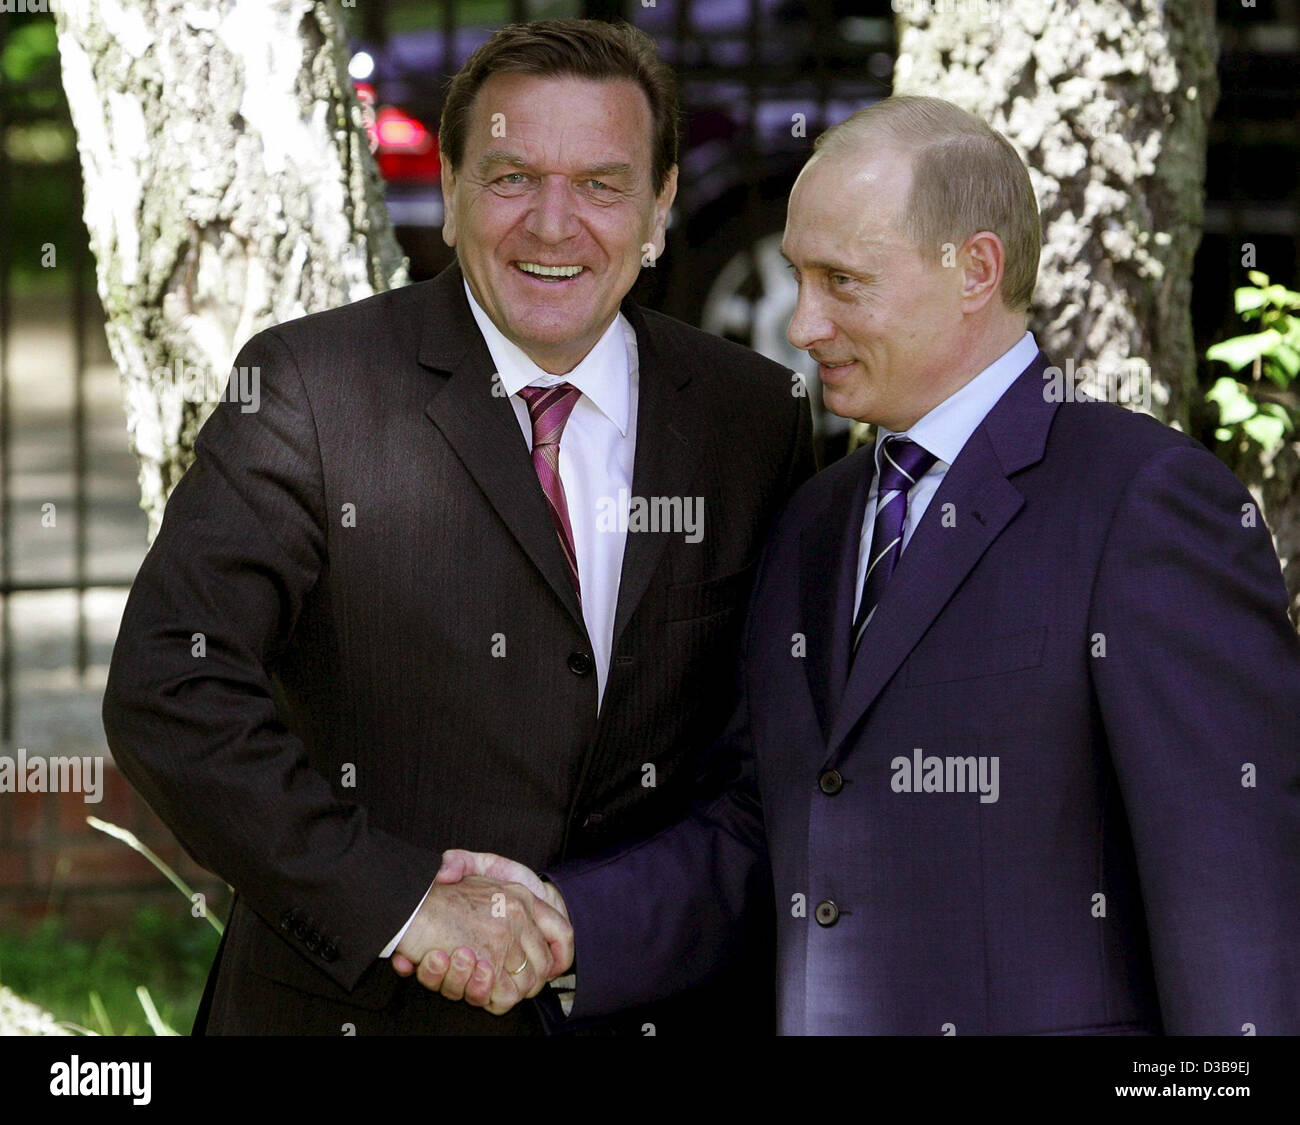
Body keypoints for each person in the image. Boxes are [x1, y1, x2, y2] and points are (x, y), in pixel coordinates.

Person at [426, 96, 1300, 1034]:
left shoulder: (1146, 503)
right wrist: (565, 923)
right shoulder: (815, 516)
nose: (801, 324)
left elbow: (1238, 902)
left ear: (976, 269)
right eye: (800, 276)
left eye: (843, 281)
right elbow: (773, 830)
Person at [102, 18, 813, 1035]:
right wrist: (399, 903)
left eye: (603, 185)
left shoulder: (749, 418)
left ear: (659, 209)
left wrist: (591, 922)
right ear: (450, 189)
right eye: (512, 176)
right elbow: (173, 686)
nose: (553, 226)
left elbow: (762, 753)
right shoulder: (310, 389)